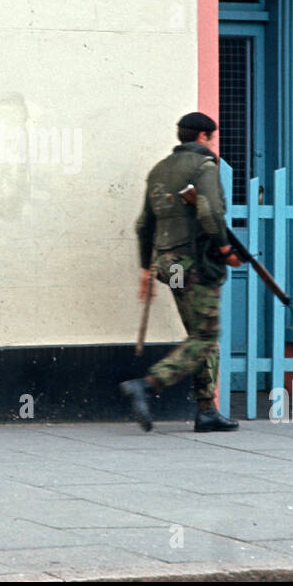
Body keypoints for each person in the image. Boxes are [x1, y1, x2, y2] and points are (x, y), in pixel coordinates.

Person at [121, 112, 241, 433]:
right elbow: (211, 211)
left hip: (169, 267)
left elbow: (144, 225)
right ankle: (147, 384)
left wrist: (147, 269)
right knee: (206, 335)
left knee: (198, 333)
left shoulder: (159, 170)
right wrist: (226, 249)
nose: (212, 143)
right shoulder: (204, 166)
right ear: (202, 136)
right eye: (211, 137)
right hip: (194, 263)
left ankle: (206, 410)